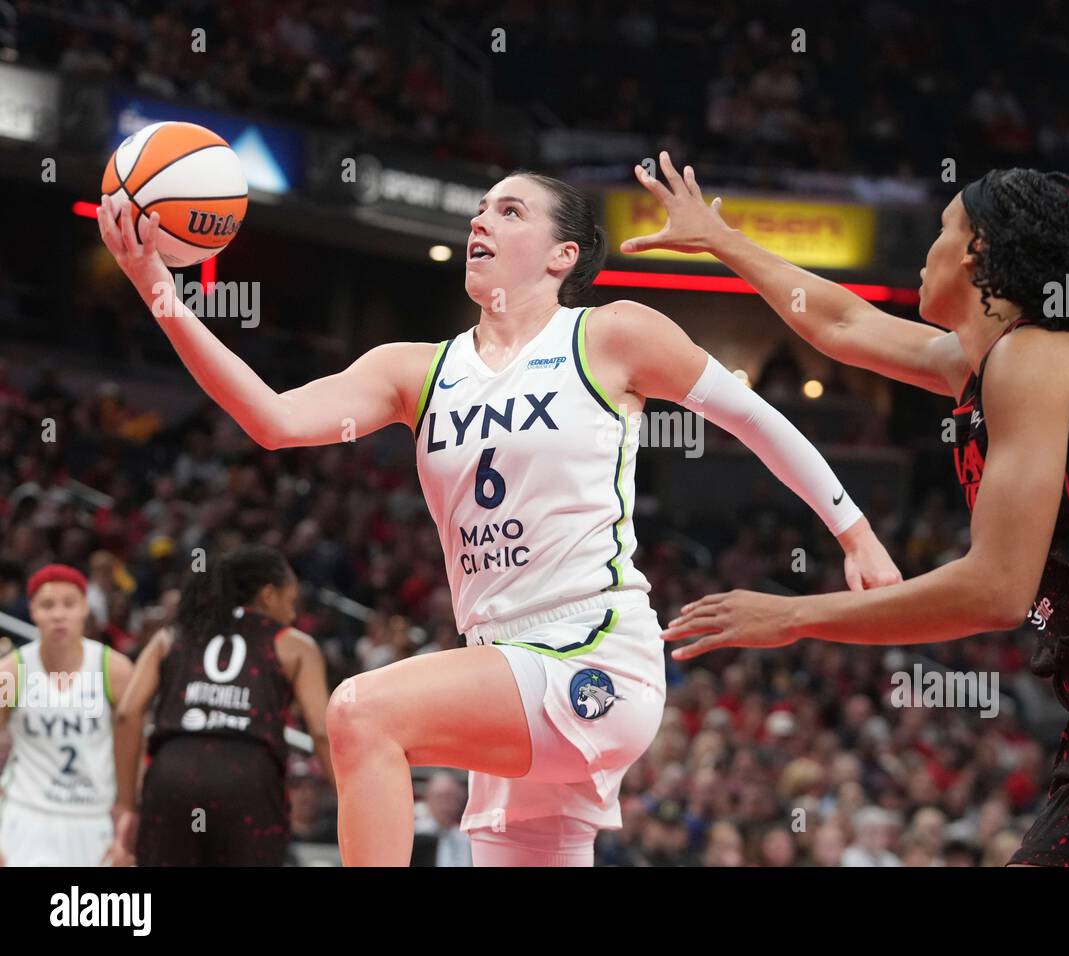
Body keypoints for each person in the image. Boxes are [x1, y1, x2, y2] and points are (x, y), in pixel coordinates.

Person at [97, 171, 900, 867]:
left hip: (593, 654)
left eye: (510, 211)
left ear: (564, 256)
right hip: (505, 671)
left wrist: (854, 532)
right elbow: (272, 419)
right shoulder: (413, 369)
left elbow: (754, 418)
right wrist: (162, 295)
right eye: (480, 209)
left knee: (361, 711)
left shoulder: (611, 333)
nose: (482, 220)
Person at [637, 152, 1069, 867]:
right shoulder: (986, 364)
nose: (927, 250)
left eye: (942, 228)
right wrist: (719, 238)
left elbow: (995, 590)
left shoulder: (1036, 362)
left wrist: (793, 616)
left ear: (977, 252)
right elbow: (841, 324)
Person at [109, 545, 333, 866]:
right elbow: (323, 732)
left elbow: (127, 714)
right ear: (268, 595)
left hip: (174, 775)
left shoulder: (173, 634)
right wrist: (349, 799)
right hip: (248, 780)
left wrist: (128, 804)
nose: (293, 613)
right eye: (290, 600)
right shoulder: (293, 644)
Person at [0, 564, 134, 866]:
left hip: (94, 816)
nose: (58, 614)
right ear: (32, 610)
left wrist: (127, 818)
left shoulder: (115, 669)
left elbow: (133, 752)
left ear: (85, 608)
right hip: (26, 815)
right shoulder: (11, 671)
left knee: (87, 915)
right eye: (47, 605)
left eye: (69, 604)